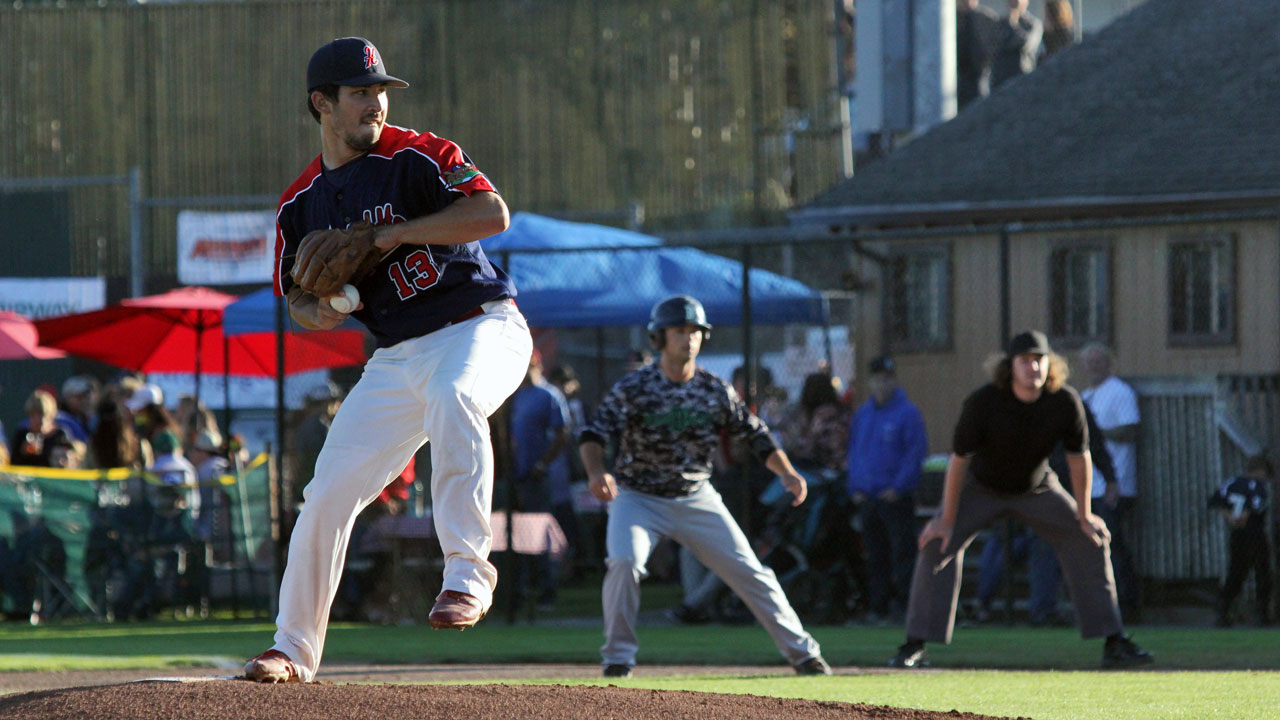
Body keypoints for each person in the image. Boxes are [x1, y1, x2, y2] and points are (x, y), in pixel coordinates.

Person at [244, 36, 531, 684]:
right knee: (326, 496)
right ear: (321, 103)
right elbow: (296, 302)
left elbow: (494, 213)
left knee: (456, 395)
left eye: (380, 90)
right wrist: (324, 307)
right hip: (397, 357)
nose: (376, 102)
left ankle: (468, 576)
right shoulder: (300, 204)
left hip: (479, 326)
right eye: (360, 91)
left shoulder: (418, 155)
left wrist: (388, 234)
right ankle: (292, 648)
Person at [578, 295, 831, 678]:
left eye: (695, 331)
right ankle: (618, 658)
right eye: (679, 330)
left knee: (751, 572)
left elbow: (755, 434)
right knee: (625, 562)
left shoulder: (715, 388)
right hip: (638, 497)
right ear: (659, 337)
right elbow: (594, 434)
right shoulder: (635, 387)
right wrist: (597, 473)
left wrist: (787, 471)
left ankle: (804, 654)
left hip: (696, 497)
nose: (689, 338)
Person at [889, 330, 1152, 670]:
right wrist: (944, 518)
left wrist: (1085, 514)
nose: (1033, 367)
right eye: (1024, 361)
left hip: (1036, 487)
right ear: (1009, 367)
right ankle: (915, 645)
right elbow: (958, 460)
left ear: (1050, 364)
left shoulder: (1064, 401)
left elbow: (1079, 457)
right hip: (981, 487)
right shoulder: (984, 402)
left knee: (1090, 539)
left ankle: (1114, 642)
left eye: (1039, 359)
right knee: (936, 543)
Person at [847, 355, 928, 624]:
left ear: (893, 380)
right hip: (868, 498)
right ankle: (878, 608)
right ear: (870, 382)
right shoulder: (863, 416)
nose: (882, 385)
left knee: (903, 555)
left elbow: (915, 455)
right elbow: (856, 454)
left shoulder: (908, 414)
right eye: (877, 379)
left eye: (886, 379)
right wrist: (855, 487)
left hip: (895, 499)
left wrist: (898, 488)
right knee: (875, 557)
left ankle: (906, 608)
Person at [1078, 343, 1142, 620]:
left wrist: (1094, 435)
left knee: (1113, 545)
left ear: (1108, 363)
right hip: (1090, 485)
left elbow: (1130, 429)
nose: (1094, 367)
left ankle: (1127, 605)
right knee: (1091, 548)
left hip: (1116, 483)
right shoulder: (1086, 396)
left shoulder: (1120, 392)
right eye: (1089, 362)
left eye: (1098, 362)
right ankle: (1100, 604)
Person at [507, 349, 572, 608]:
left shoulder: (549, 395)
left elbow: (562, 434)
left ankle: (547, 589)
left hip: (537, 476)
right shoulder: (517, 395)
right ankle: (520, 591)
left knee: (540, 533)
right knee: (516, 533)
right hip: (517, 474)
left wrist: (543, 464)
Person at [1208, 454, 1273, 626]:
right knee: (1262, 572)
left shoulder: (1232, 482)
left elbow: (1215, 501)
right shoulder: (1256, 485)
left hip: (1237, 534)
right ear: (1261, 471)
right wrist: (1245, 515)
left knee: (1236, 573)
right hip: (1254, 532)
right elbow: (1257, 505)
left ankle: (1222, 609)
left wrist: (1230, 517)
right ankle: (1262, 614)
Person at [9, 389, 76, 467]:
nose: (38, 420)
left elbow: (71, 462)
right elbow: (13, 465)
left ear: (52, 415)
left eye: (43, 415)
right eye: (33, 416)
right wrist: (23, 452)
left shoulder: (60, 436)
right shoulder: (22, 435)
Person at [956, 0, 1000, 108]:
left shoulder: (987, 18)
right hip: (956, 76)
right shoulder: (949, 19)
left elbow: (996, 44)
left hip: (979, 75)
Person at [991, 0, 1042, 89]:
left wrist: (1013, 25)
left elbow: (1025, 44)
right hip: (1000, 77)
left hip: (1022, 74)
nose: (1014, 3)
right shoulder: (1000, 23)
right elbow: (993, 45)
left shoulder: (1032, 24)